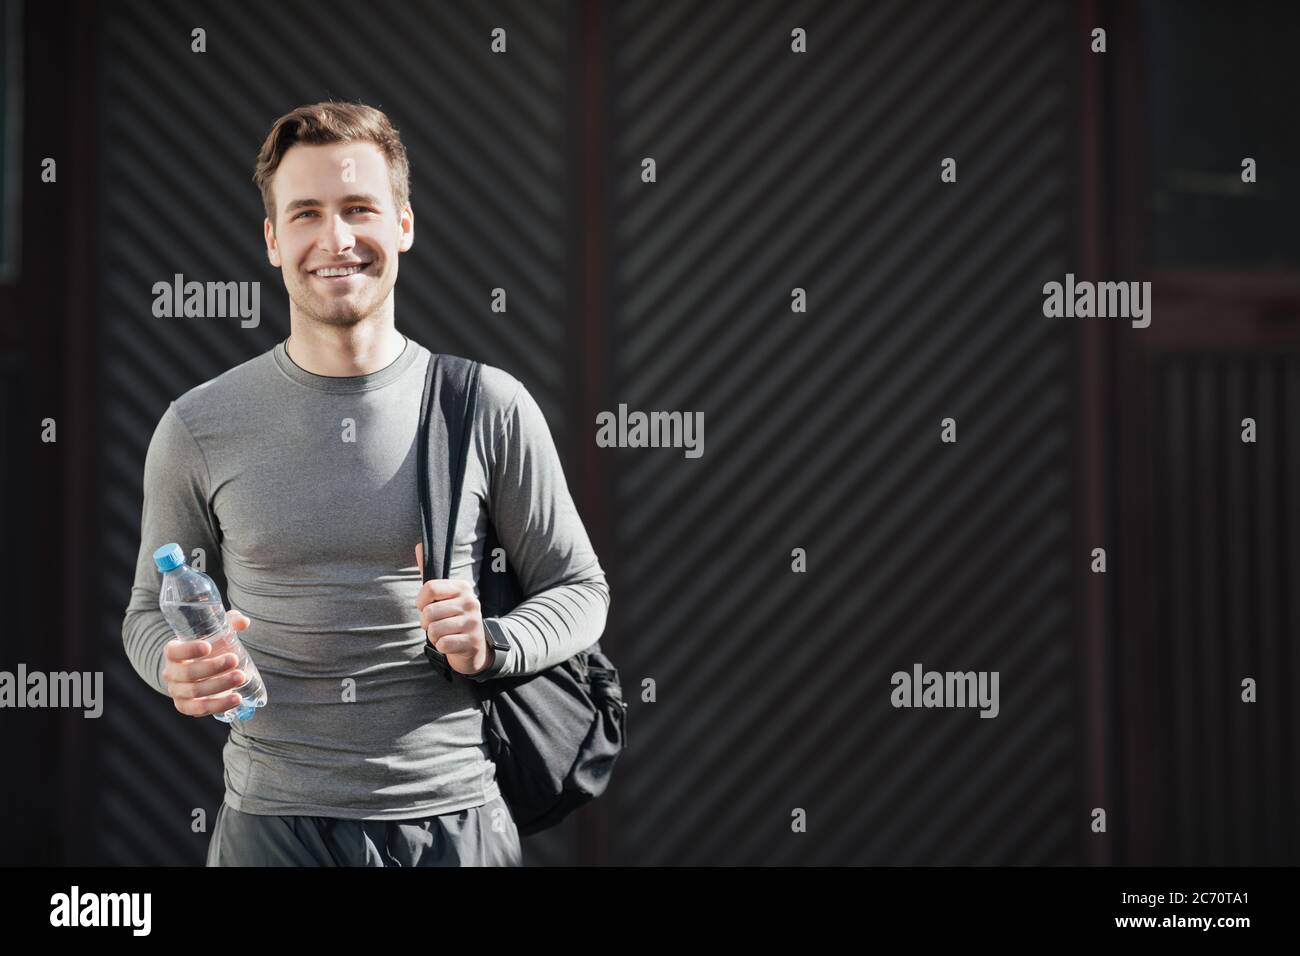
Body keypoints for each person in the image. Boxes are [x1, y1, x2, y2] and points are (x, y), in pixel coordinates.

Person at [120, 101, 611, 867]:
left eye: (359, 209)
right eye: (307, 213)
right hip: (271, 829)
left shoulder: (486, 407)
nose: (336, 239)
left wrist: (496, 642)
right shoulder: (198, 425)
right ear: (274, 240)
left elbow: (582, 589)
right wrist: (172, 665)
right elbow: (151, 611)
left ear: (404, 224)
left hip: (452, 824)